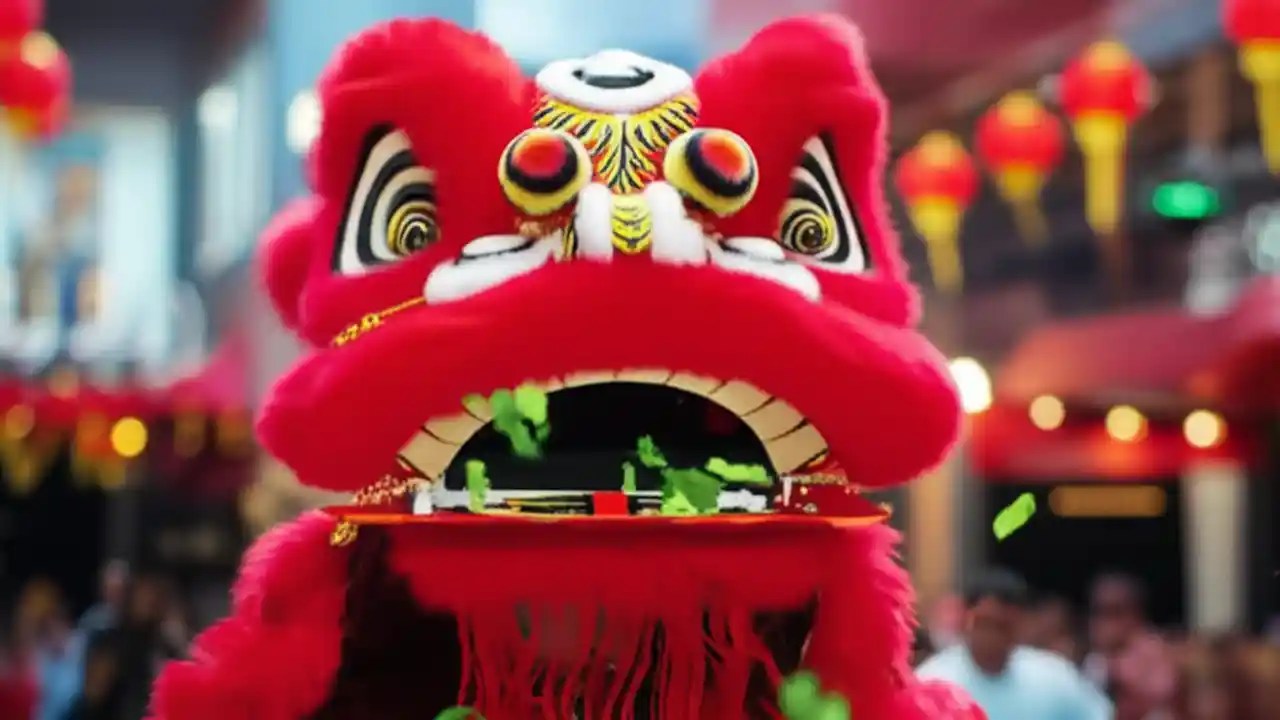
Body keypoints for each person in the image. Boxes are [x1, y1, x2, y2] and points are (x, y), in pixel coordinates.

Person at [917, 569, 1113, 720]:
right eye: (984, 624)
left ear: (1020, 624)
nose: (991, 637)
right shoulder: (932, 681)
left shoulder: (1056, 677)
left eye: (1001, 626)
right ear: (964, 621)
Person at [1083, 573, 1176, 720]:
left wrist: (1115, 668)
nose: (1105, 622)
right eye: (1099, 612)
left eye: (1114, 612)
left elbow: (1160, 694)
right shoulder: (1093, 658)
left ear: (1136, 613)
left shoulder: (1154, 649)